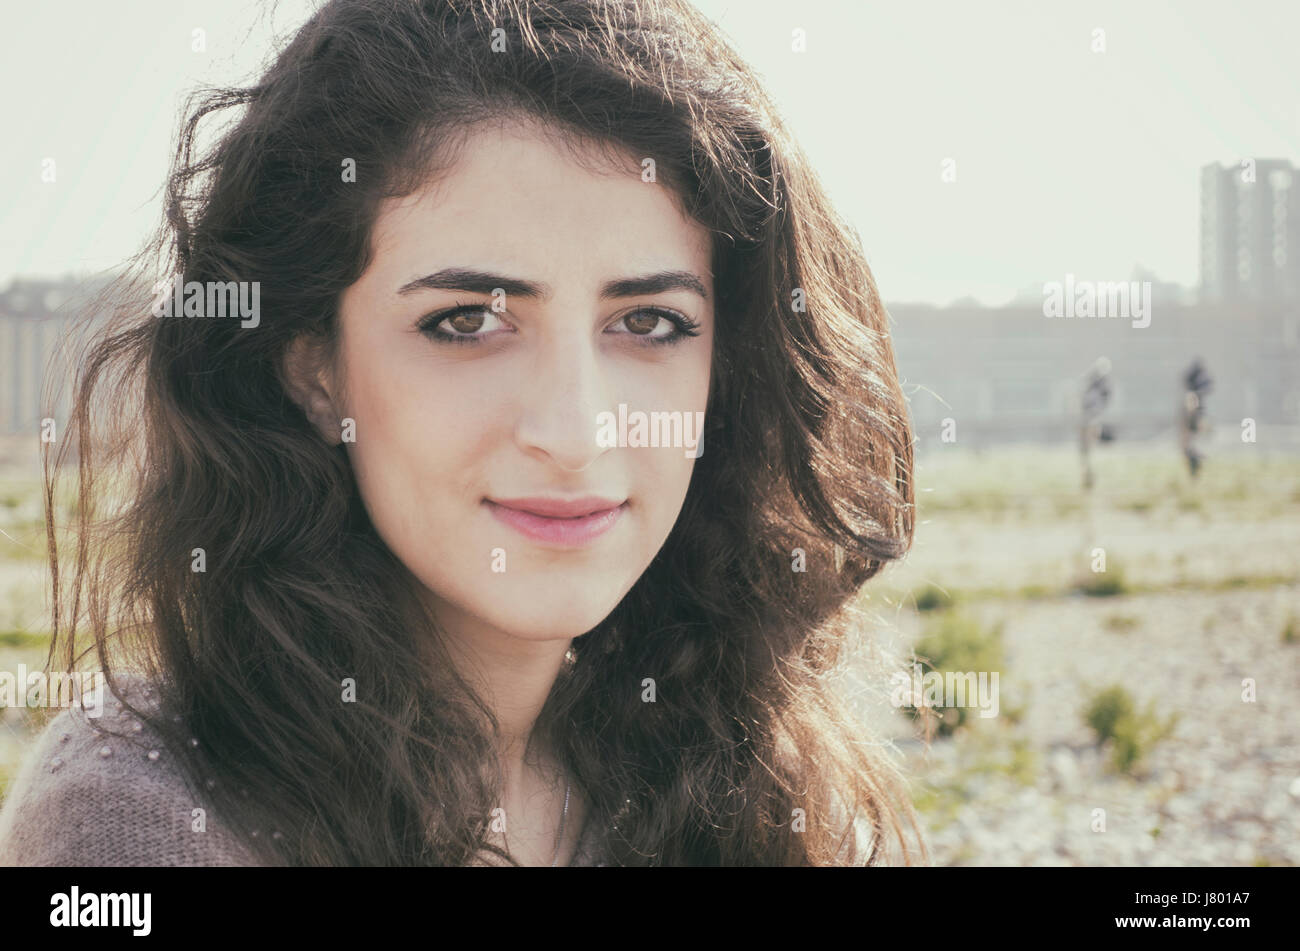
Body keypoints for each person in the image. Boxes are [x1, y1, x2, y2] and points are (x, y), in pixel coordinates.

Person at [0, 0, 920, 866]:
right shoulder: (144, 814)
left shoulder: (769, 780)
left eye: (647, 324)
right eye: (467, 323)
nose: (576, 430)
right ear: (313, 369)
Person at [1079, 356, 1112, 490]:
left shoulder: (1101, 388)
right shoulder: (1095, 388)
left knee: (1089, 451)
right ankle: (1089, 477)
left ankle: (1091, 478)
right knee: (1087, 451)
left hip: (1092, 420)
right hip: (1090, 420)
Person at [1180, 357, 1213, 478]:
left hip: (1192, 431)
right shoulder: (1192, 396)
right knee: (1193, 453)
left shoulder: (1193, 395)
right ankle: (1194, 474)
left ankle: (1195, 474)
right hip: (1192, 430)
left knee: (1193, 453)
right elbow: (1191, 413)